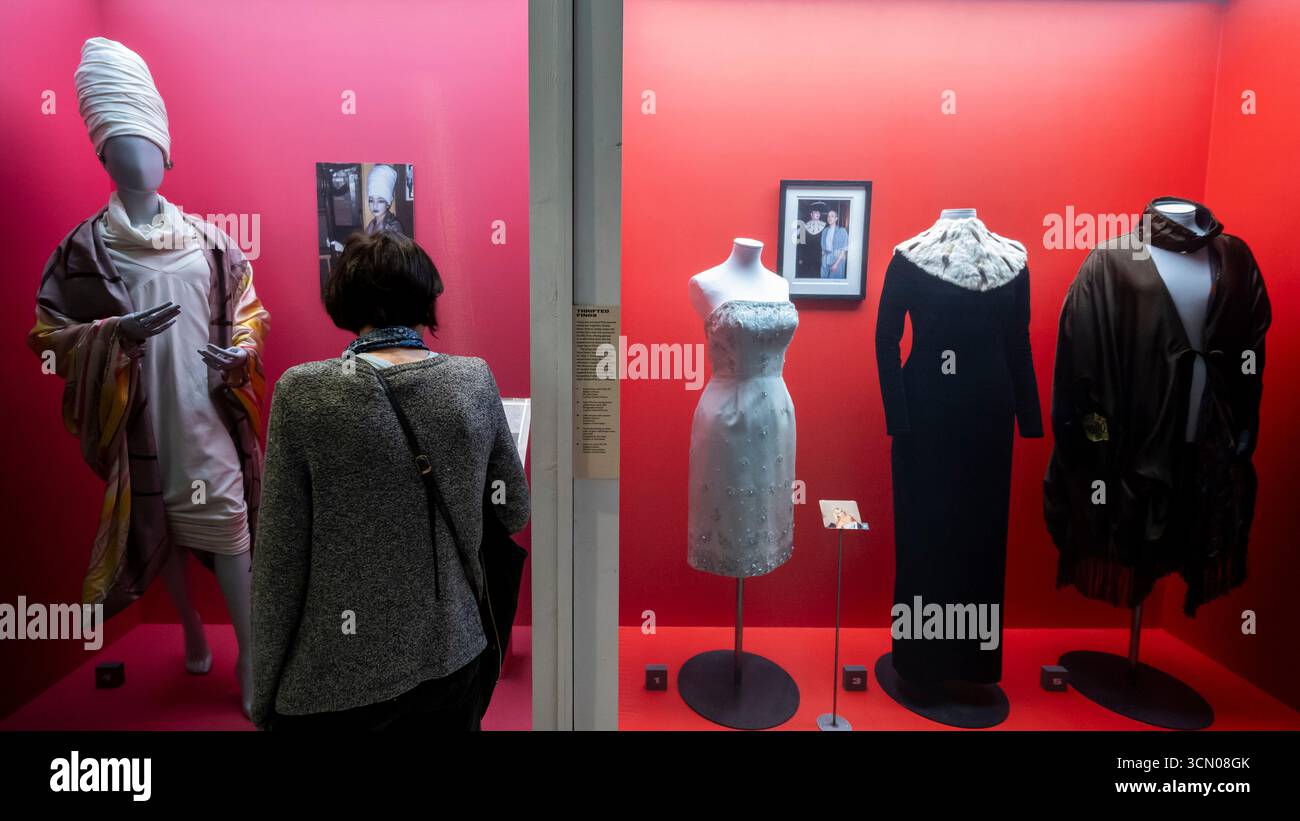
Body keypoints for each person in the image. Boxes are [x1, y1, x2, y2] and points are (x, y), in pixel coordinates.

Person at [251, 230, 530, 730]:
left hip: (337, 674)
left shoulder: (303, 393)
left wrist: (263, 689)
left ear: (343, 300)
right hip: (453, 653)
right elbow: (514, 510)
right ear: (428, 298)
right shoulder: (473, 380)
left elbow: (279, 560)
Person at [820, 209, 850, 278]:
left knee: (835, 282)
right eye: (828, 216)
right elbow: (823, 248)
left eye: (832, 216)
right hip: (825, 260)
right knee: (823, 281)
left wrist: (836, 264)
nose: (830, 218)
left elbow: (844, 250)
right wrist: (823, 258)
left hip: (837, 260)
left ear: (836, 218)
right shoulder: (825, 231)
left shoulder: (842, 231)